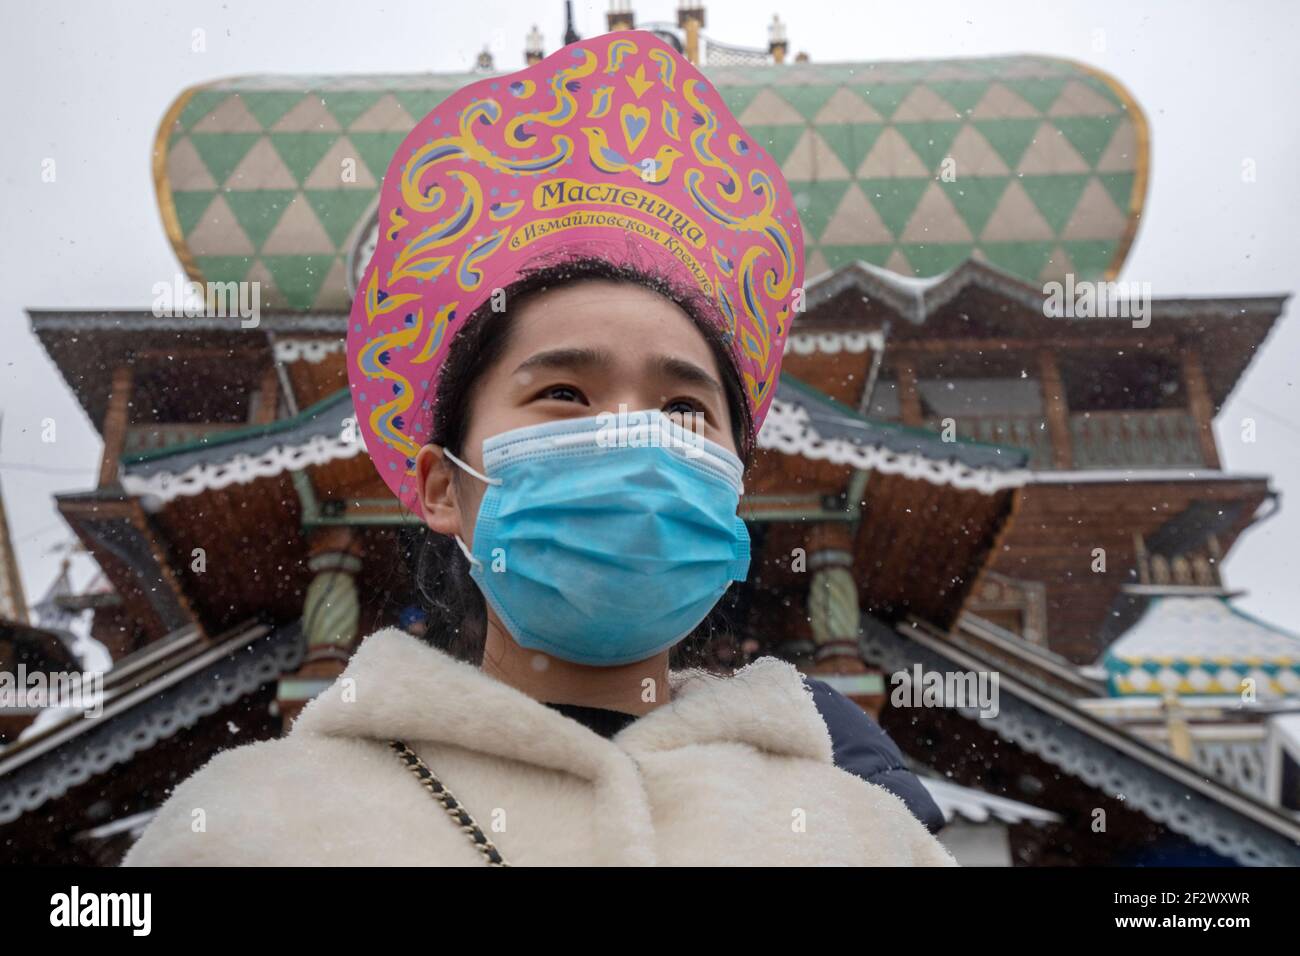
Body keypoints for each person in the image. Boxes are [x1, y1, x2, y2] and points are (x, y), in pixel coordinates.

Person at [122, 30, 954, 866]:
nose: (634, 436)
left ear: (733, 482)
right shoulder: (254, 832)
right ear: (443, 484)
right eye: (564, 393)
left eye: (682, 408)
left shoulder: (866, 840)